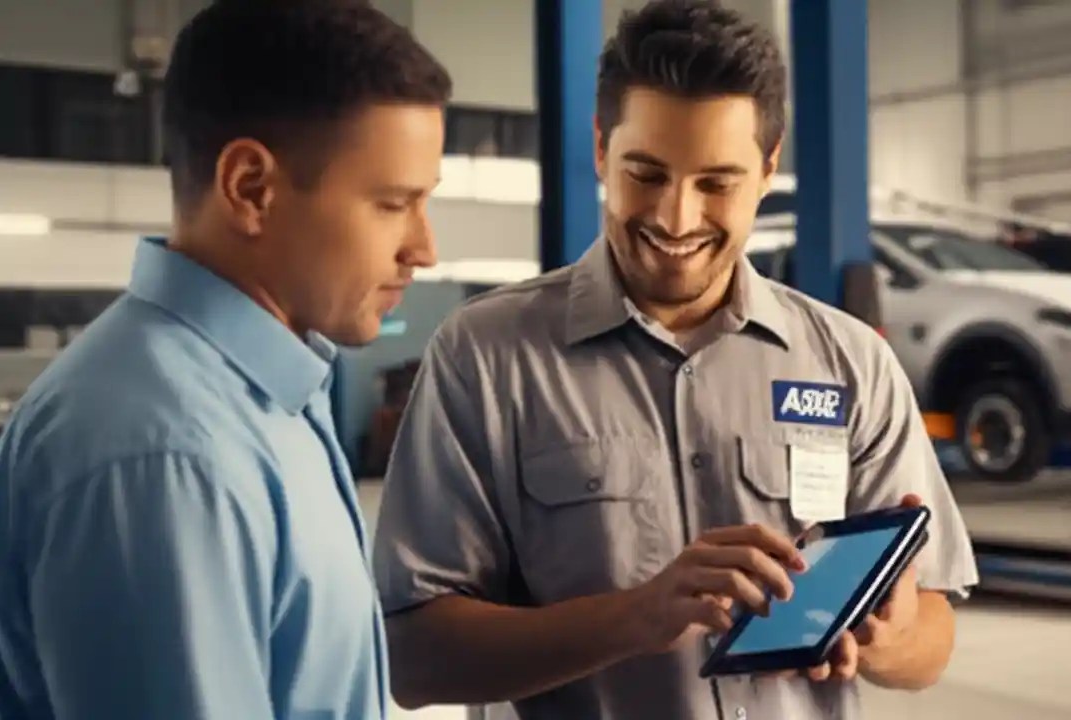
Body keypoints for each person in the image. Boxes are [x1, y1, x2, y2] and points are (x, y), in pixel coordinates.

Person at [373, 0, 978, 718]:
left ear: (767, 169)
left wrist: (889, 634)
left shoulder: (850, 364)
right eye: (646, 174)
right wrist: (637, 616)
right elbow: (412, 660)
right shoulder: (487, 356)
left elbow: (931, 644)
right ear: (600, 148)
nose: (676, 218)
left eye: (717, 183)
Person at [0, 1, 451, 718]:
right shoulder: (165, 451)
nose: (424, 248)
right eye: (393, 203)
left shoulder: (261, 402)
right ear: (250, 188)